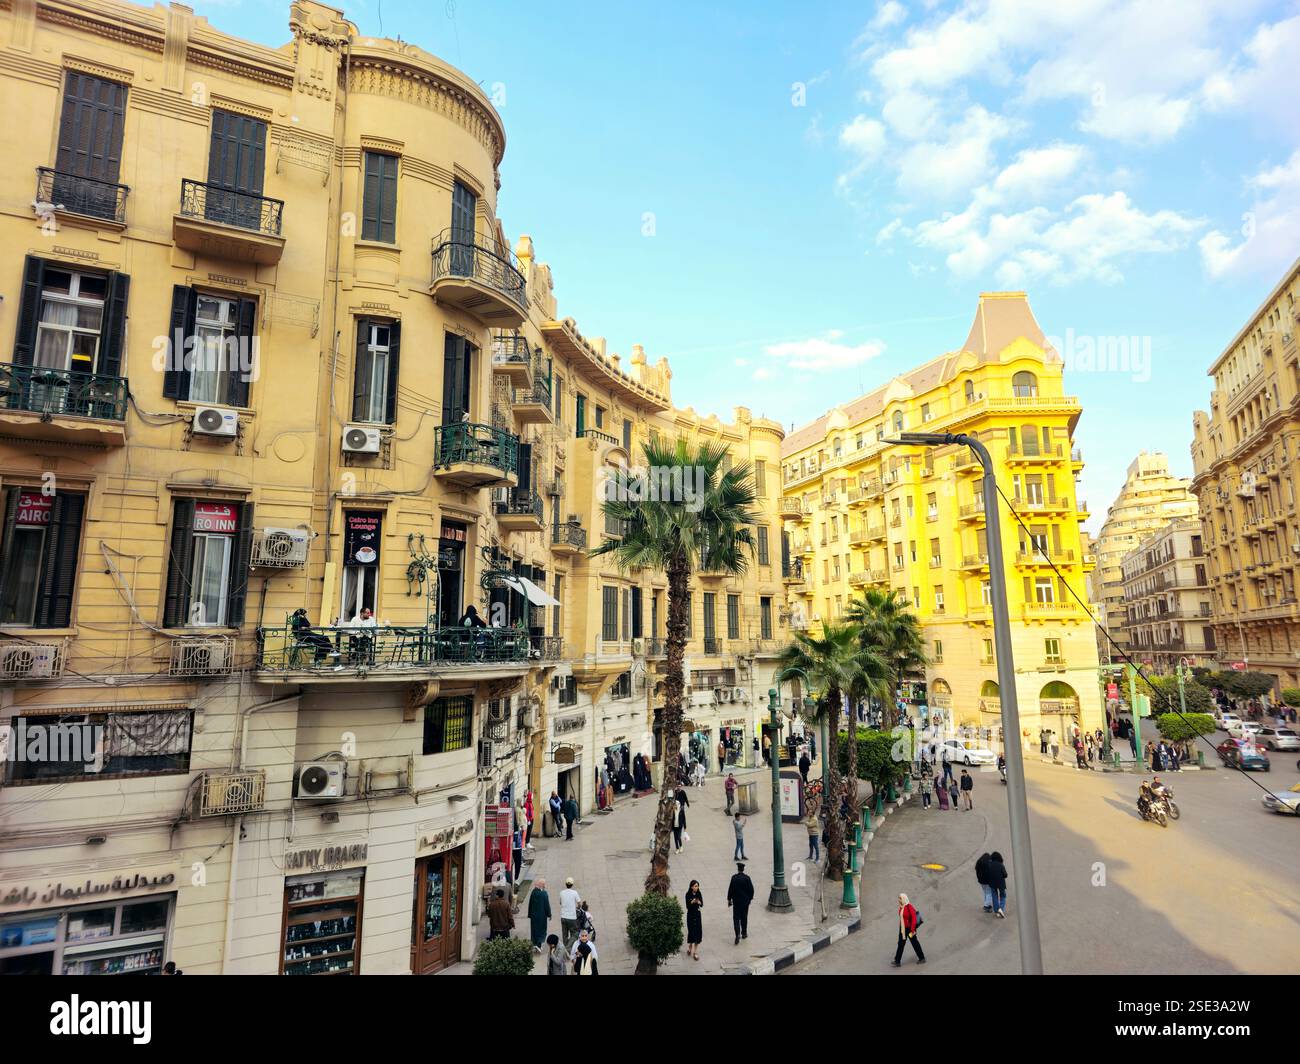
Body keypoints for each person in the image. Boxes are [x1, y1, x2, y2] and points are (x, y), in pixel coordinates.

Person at [891, 893, 926, 967]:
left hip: (910, 928)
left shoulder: (909, 906)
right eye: (899, 898)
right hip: (903, 929)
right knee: (900, 944)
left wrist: (913, 929)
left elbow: (914, 918)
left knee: (915, 943)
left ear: (904, 899)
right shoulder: (901, 907)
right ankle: (897, 961)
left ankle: (922, 958)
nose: (899, 900)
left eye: (900, 898)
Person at [727, 862, 755, 944]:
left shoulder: (734, 878)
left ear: (738, 869)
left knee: (736, 918)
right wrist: (750, 899)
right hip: (745, 902)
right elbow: (751, 890)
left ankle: (737, 935)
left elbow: (730, 889)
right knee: (744, 917)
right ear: (743, 869)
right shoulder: (747, 878)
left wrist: (729, 899)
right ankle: (744, 933)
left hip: (736, 902)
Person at [527, 878, 552, 952]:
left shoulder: (533, 892)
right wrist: (549, 914)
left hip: (534, 916)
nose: (544, 886)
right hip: (542, 916)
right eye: (544, 884)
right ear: (542, 885)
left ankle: (534, 944)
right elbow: (547, 905)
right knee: (541, 930)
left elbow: (530, 904)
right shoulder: (544, 894)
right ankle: (538, 945)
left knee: (534, 930)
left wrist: (530, 914)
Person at [559, 878, 581, 949]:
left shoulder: (562, 892)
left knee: (564, 934)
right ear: (572, 884)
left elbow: (560, 902)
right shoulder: (574, 892)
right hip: (572, 917)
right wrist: (578, 907)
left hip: (563, 916)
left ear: (566, 884)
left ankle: (566, 947)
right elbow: (579, 903)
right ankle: (569, 947)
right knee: (574, 934)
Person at [685, 881, 704, 961]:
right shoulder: (688, 894)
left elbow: (702, 904)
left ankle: (695, 952)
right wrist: (692, 902)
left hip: (697, 915)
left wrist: (699, 902)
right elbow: (687, 906)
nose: (697, 887)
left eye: (697, 886)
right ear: (691, 887)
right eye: (695, 886)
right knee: (691, 932)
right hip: (690, 915)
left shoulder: (699, 894)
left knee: (697, 933)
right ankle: (690, 946)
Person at [986, 851, 1008, 917]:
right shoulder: (1001, 865)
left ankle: (996, 910)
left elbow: (987, 874)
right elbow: (1005, 875)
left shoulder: (990, 864)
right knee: (1003, 896)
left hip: (992, 883)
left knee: (994, 896)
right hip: (1001, 883)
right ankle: (1001, 909)